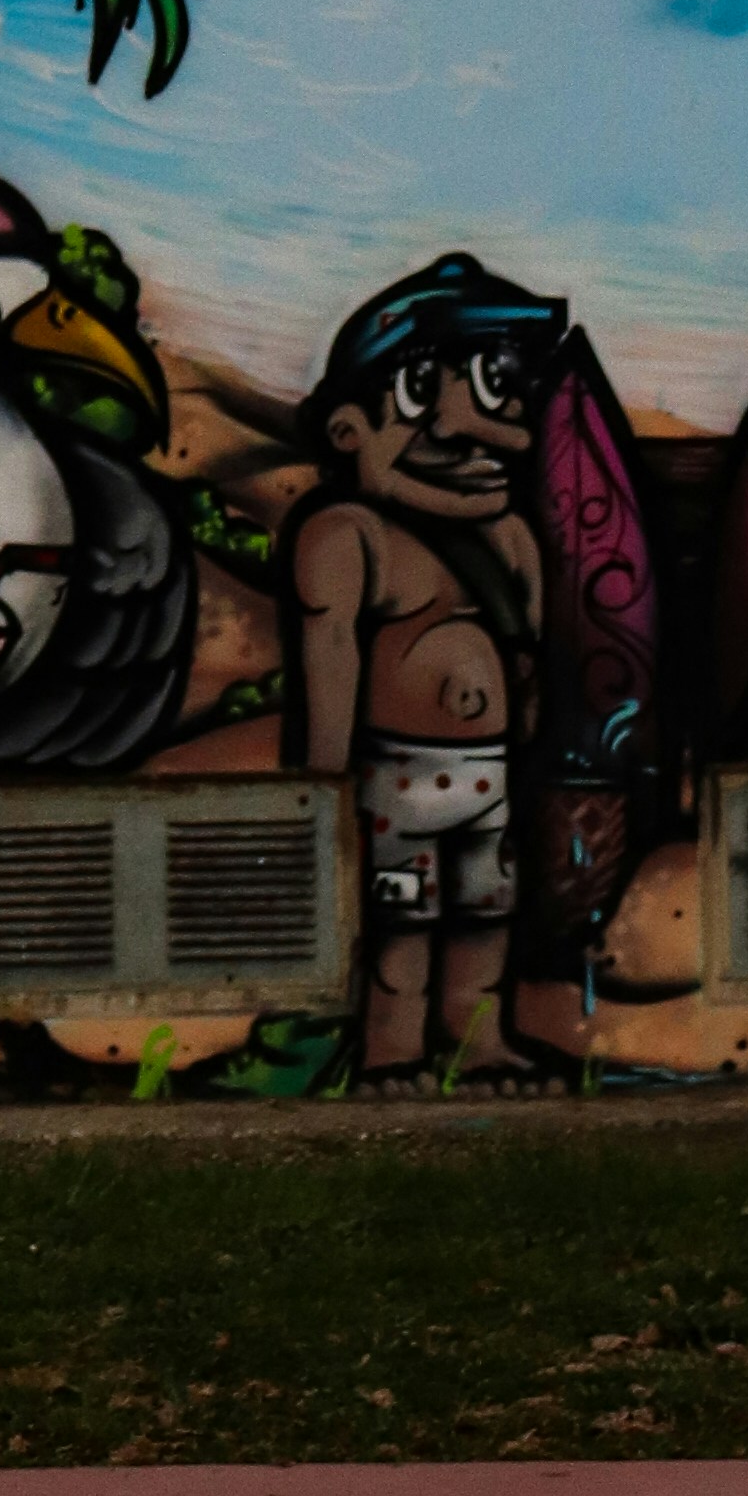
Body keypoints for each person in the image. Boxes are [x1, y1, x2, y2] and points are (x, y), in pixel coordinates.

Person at [287, 251, 564, 1081]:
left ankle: (479, 1042)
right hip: (395, 778)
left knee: (487, 919)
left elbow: (529, 652)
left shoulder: (509, 536)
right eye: (418, 393)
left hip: (489, 776)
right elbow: (329, 655)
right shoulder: (350, 536)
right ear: (349, 432)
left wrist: (529, 735)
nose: (456, 424)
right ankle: (392, 1050)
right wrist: (326, 785)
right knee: (401, 926)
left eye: (489, 382)